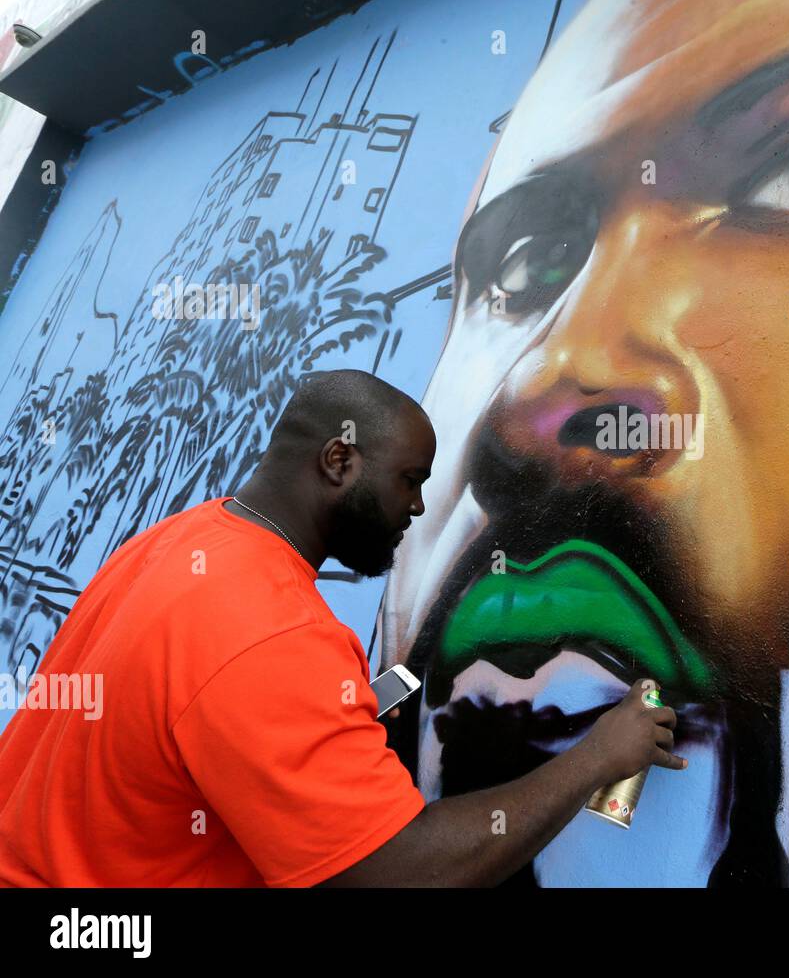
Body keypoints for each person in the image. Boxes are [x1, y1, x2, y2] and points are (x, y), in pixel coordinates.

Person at [0, 369, 685, 887]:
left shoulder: (178, 542)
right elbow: (393, 870)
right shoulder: (272, 633)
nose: (416, 505)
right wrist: (598, 757)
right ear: (339, 461)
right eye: (408, 479)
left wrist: (344, 704)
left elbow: (206, 705)